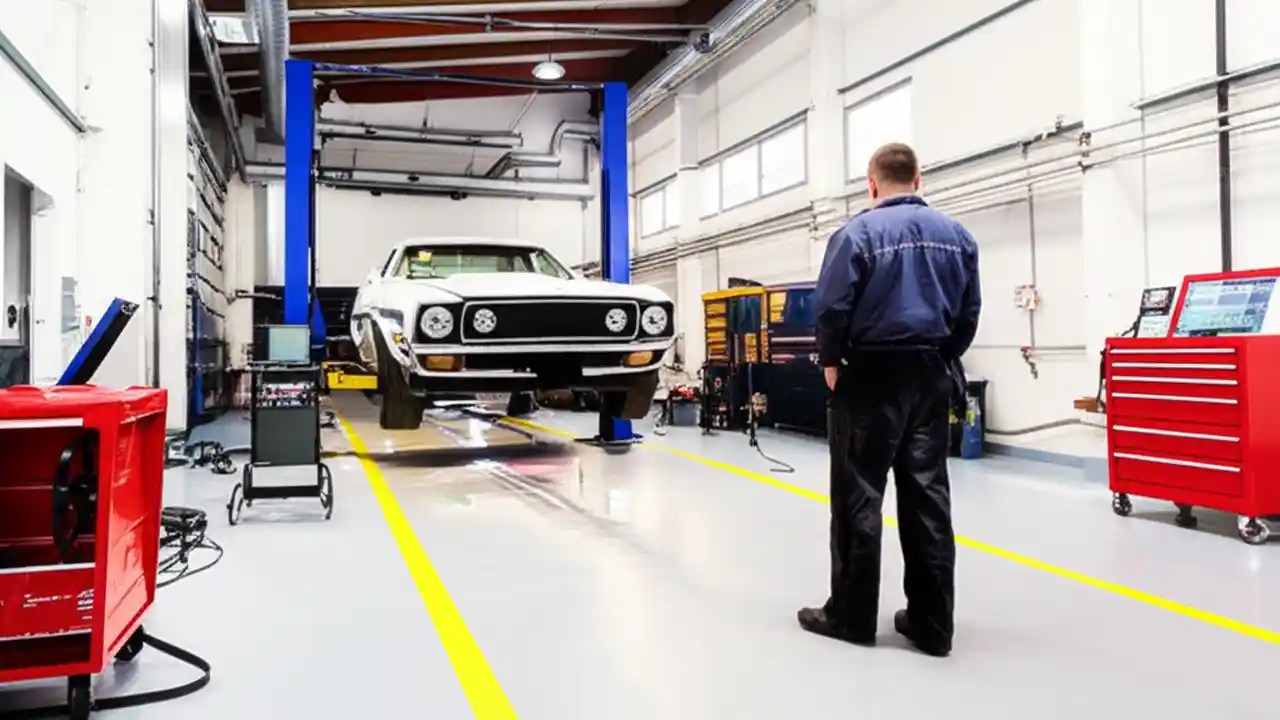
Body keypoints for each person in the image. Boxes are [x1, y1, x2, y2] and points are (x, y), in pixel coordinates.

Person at [797, 142, 981, 657]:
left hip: (869, 376)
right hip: (931, 374)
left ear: (871, 184)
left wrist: (831, 360)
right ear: (919, 179)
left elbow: (831, 308)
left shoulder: (856, 234)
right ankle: (932, 624)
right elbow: (969, 312)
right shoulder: (958, 237)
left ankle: (852, 617)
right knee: (928, 498)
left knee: (859, 497)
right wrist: (941, 358)